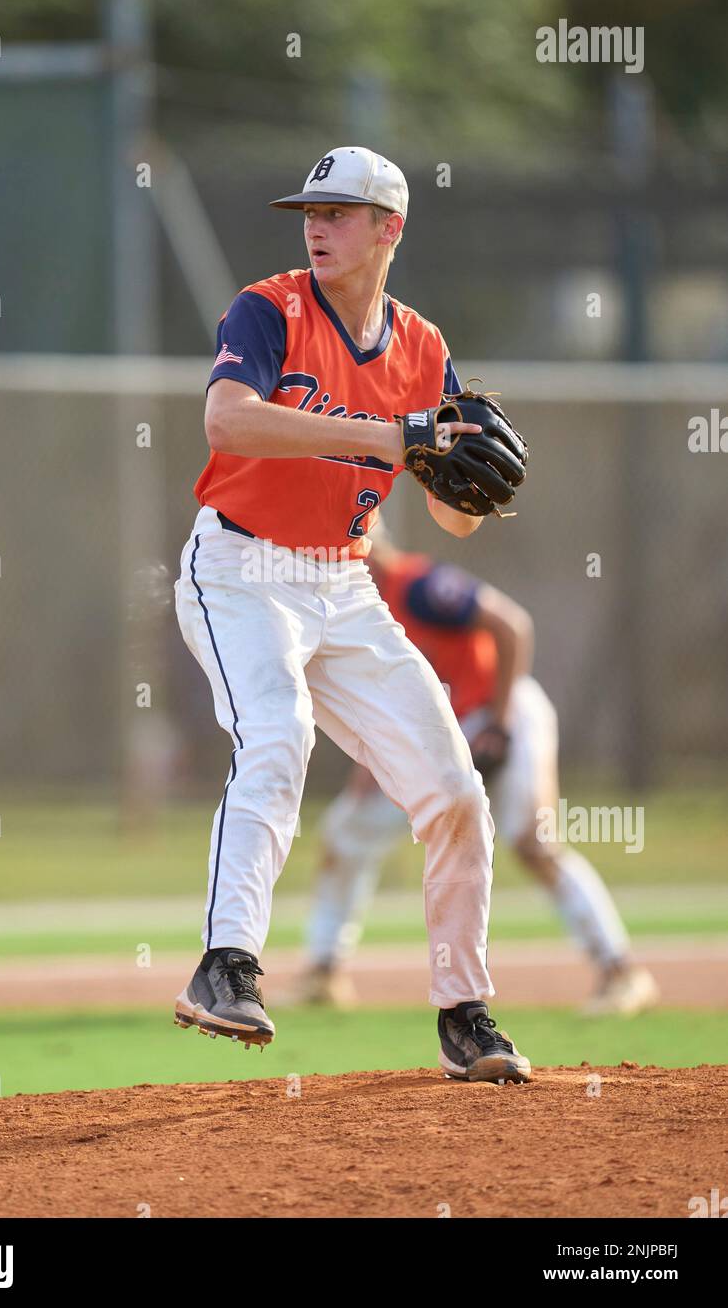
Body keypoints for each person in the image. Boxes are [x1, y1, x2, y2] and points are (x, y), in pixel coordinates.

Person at [172, 146, 531, 1082]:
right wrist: (392, 434)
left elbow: (452, 512)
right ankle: (227, 966)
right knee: (278, 736)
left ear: (390, 229)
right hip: (241, 571)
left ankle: (465, 1013)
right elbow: (229, 423)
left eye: (340, 212)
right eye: (310, 211)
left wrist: (475, 480)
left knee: (453, 789)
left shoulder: (422, 347)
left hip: (344, 584)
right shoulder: (270, 308)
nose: (317, 226)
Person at [301, 526, 660, 1017]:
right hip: (439, 731)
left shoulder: (417, 585)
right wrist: (370, 765)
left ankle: (621, 972)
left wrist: (501, 720)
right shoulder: (343, 607)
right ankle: (324, 971)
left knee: (533, 843)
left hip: (499, 712)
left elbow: (512, 626)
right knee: (347, 831)